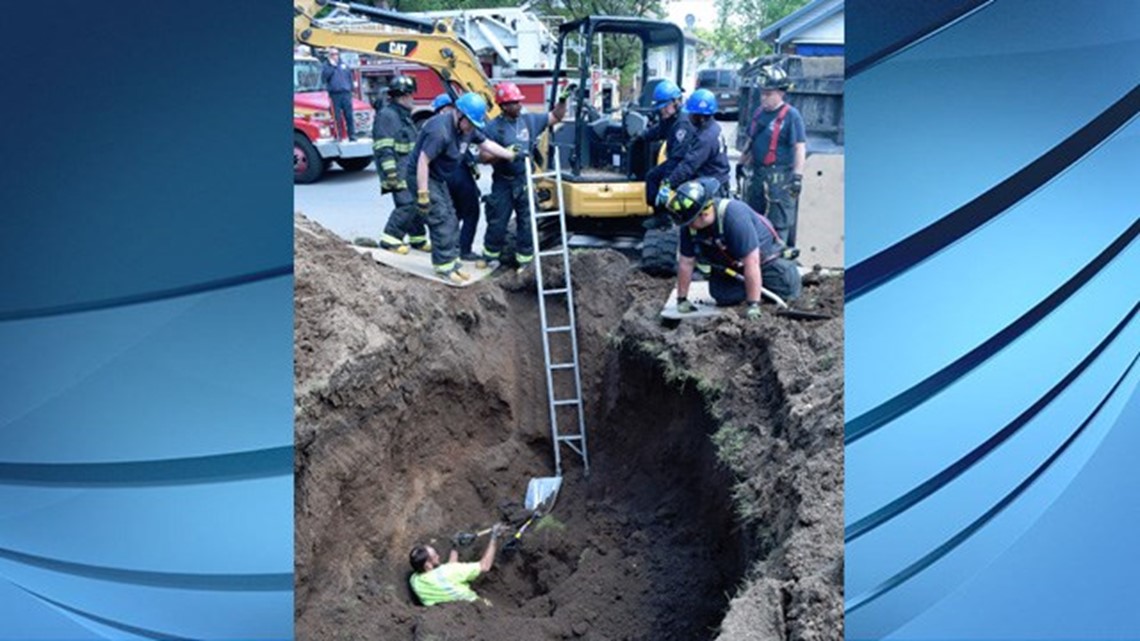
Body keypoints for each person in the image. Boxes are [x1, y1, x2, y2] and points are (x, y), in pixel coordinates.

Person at [408, 92, 520, 283]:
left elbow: (487, 143)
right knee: (440, 219)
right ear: (459, 114)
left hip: (438, 177)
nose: (472, 129)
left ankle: (452, 261)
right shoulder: (440, 131)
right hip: (423, 177)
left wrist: (508, 155)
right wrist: (423, 192)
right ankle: (444, 266)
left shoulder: (468, 128)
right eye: (470, 123)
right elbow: (423, 161)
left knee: (451, 217)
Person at [666, 177, 801, 319]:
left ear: (704, 214)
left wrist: (753, 305)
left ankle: (767, 283)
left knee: (786, 289)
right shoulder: (689, 224)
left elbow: (752, 262)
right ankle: (753, 287)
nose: (687, 226)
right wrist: (682, 299)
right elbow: (686, 262)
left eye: (690, 223)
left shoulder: (734, 217)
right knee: (722, 296)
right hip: (731, 261)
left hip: (762, 258)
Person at [479, 81, 568, 269]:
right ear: (503, 106)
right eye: (515, 103)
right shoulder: (493, 128)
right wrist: (505, 153)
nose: (520, 105)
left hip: (524, 181)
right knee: (497, 221)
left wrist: (562, 101)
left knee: (527, 223)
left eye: (519, 101)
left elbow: (556, 117)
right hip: (503, 183)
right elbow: (484, 157)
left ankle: (525, 263)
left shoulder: (529, 121)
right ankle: (489, 257)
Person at [740, 65, 806, 246]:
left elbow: (799, 147)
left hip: (780, 178)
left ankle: (779, 262)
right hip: (758, 175)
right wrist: (741, 164)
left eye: (768, 93)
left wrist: (797, 177)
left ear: (781, 93)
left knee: (779, 223)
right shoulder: (759, 113)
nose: (763, 98)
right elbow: (750, 141)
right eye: (762, 93)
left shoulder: (791, 116)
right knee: (753, 218)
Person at [374, 75, 429, 254]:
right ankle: (390, 238)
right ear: (402, 97)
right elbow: (384, 147)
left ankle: (418, 238)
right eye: (410, 95)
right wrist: (391, 174)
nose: (412, 99)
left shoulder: (402, 116)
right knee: (407, 204)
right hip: (396, 171)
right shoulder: (388, 116)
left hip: (408, 169)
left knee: (415, 206)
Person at [654, 88, 731, 210]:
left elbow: (688, 165)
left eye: (691, 114)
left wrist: (668, 184)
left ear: (700, 116)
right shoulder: (713, 128)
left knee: (699, 222)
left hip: (711, 188)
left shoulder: (705, 138)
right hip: (717, 182)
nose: (689, 117)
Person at [431, 94, 483, 262]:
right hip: (458, 173)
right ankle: (463, 250)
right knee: (470, 212)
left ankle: (450, 248)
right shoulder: (453, 128)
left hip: (442, 176)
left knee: (451, 214)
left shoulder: (436, 126)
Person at [409, 523, 505, 606]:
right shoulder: (449, 572)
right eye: (434, 556)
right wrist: (493, 537)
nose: (438, 556)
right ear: (428, 566)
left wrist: (455, 547)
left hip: (447, 612)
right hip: (474, 606)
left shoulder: (415, 580)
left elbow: (448, 571)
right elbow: (485, 566)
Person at [641, 79, 689, 229]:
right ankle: (659, 215)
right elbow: (659, 131)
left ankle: (667, 218)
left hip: (684, 163)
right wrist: (642, 135)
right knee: (652, 177)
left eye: (665, 107)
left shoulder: (683, 123)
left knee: (658, 178)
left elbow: (677, 158)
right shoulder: (669, 118)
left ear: (676, 102)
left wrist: (667, 182)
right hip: (676, 160)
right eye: (661, 108)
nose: (663, 111)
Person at [321, 48, 356, 141]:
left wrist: (352, 90)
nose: (335, 56)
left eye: (336, 54)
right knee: (337, 117)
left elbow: (349, 77)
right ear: (329, 56)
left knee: (349, 115)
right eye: (332, 54)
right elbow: (324, 78)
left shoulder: (344, 65)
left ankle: (352, 135)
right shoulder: (326, 66)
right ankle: (339, 136)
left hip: (346, 93)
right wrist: (332, 67)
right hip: (335, 95)